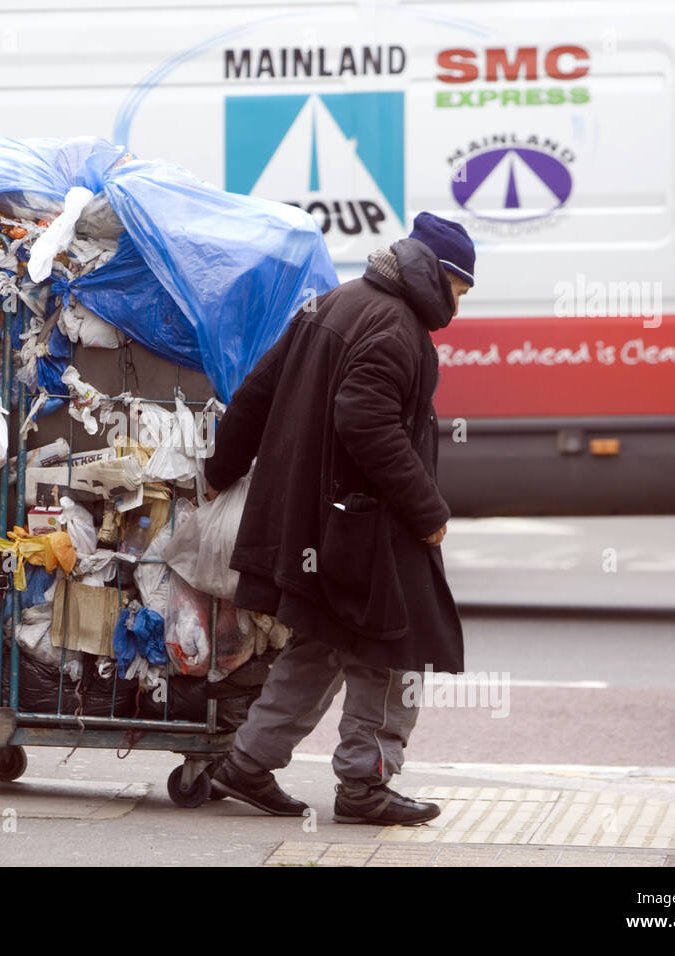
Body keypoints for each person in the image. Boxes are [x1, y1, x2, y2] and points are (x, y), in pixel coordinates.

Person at [202, 211, 473, 825]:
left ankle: (247, 764)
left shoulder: (333, 304)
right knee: (392, 648)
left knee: (322, 643)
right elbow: (366, 423)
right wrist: (427, 510)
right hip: (361, 527)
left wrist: (221, 468)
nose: (459, 305)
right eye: (460, 289)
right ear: (437, 275)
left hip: (313, 526)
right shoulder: (396, 326)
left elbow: (256, 392)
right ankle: (365, 784)